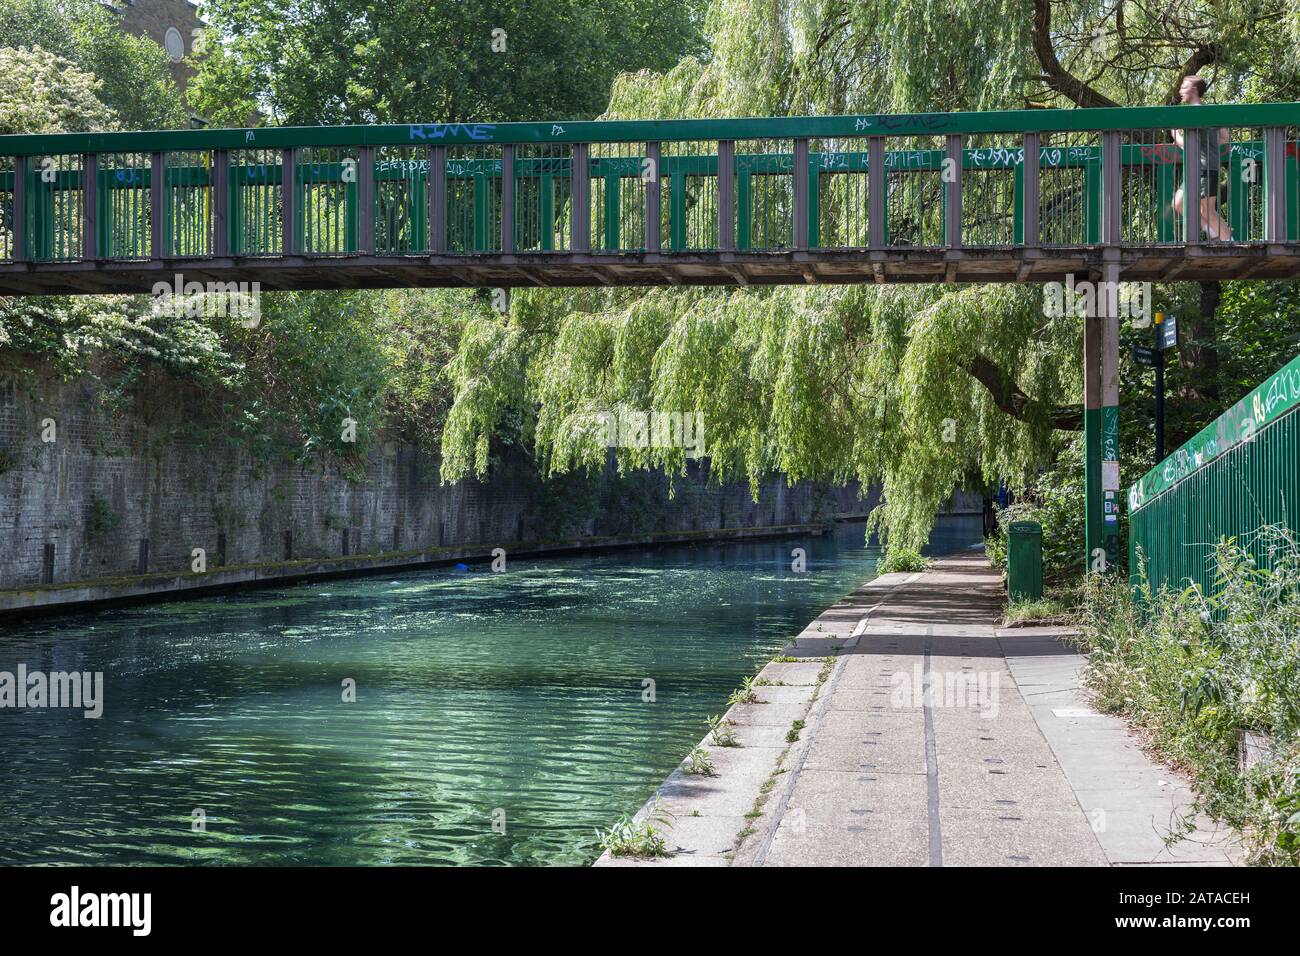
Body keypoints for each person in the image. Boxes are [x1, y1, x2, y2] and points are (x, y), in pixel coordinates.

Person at [1172, 75, 1232, 240]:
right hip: (1198, 167)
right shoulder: (1208, 111)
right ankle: (1214, 232)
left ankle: (1232, 243)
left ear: (1193, 89)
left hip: (1204, 168)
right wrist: (1209, 145)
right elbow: (1225, 137)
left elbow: (1185, 144)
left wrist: (1174, 133)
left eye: (1184, 86)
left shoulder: (1194, 112)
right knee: (1178, 203)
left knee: (1207, 210)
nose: (1180, 90)